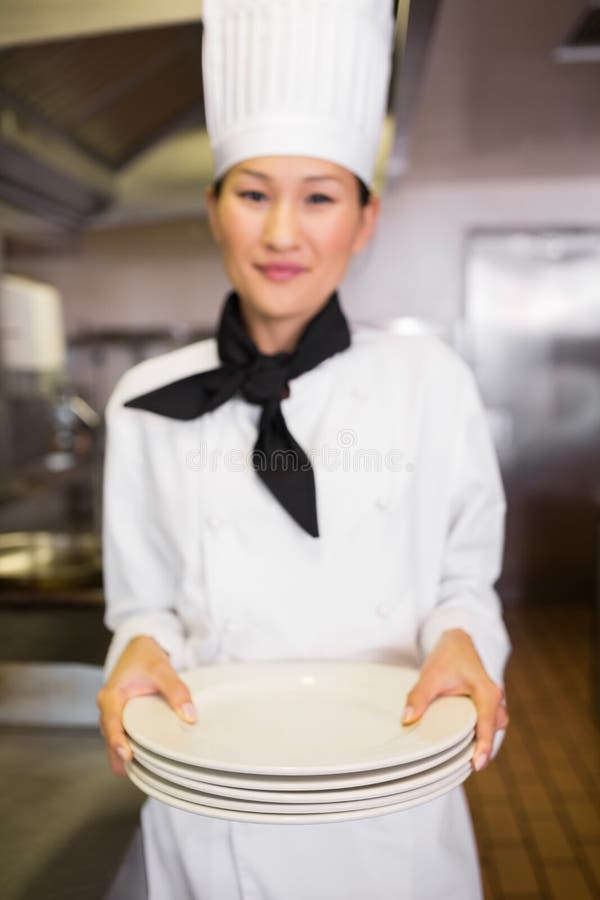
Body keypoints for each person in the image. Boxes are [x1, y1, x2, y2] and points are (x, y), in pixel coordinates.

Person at [97, 1, 510, 897]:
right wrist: (136, 647)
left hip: (390, 818)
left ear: (365, 220)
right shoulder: (140, 401)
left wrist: (466, 643)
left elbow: (462, 585)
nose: (282, 233)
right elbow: (145, 605)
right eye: (252, 194)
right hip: (206, 814)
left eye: (319, 197)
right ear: (213, 209)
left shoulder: (431, 380)